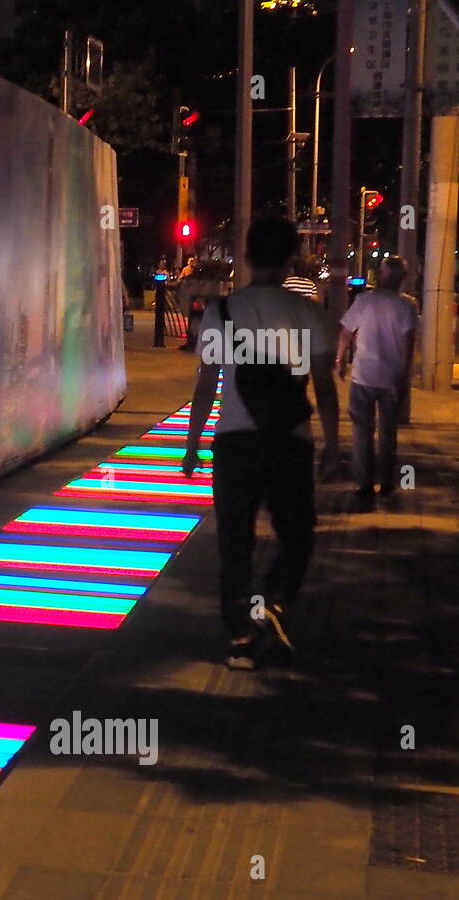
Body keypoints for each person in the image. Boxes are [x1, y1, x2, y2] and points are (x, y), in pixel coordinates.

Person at [182, 216, 340, 670]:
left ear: (247, 257)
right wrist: (332, 447)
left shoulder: (220, 313)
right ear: (292, 258)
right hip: (290, 443)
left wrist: (192, 446)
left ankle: (239, 640)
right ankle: (272, 600)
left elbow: (205, 388)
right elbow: (325, 389)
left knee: (236, 542)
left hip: (233, 443)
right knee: (298, 535)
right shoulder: (309, 313)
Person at [336, 256, 418, 505]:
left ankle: (364, 484)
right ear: (403, 279)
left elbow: (346, 333)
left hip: (364, 375)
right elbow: (409, 344)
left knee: (362, 432)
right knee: (388, 432)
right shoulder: (408, 306)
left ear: (381, 275)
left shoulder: (364, 301)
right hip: (391, 378)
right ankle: (386, 482)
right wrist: (404, 378)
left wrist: (340, 360)